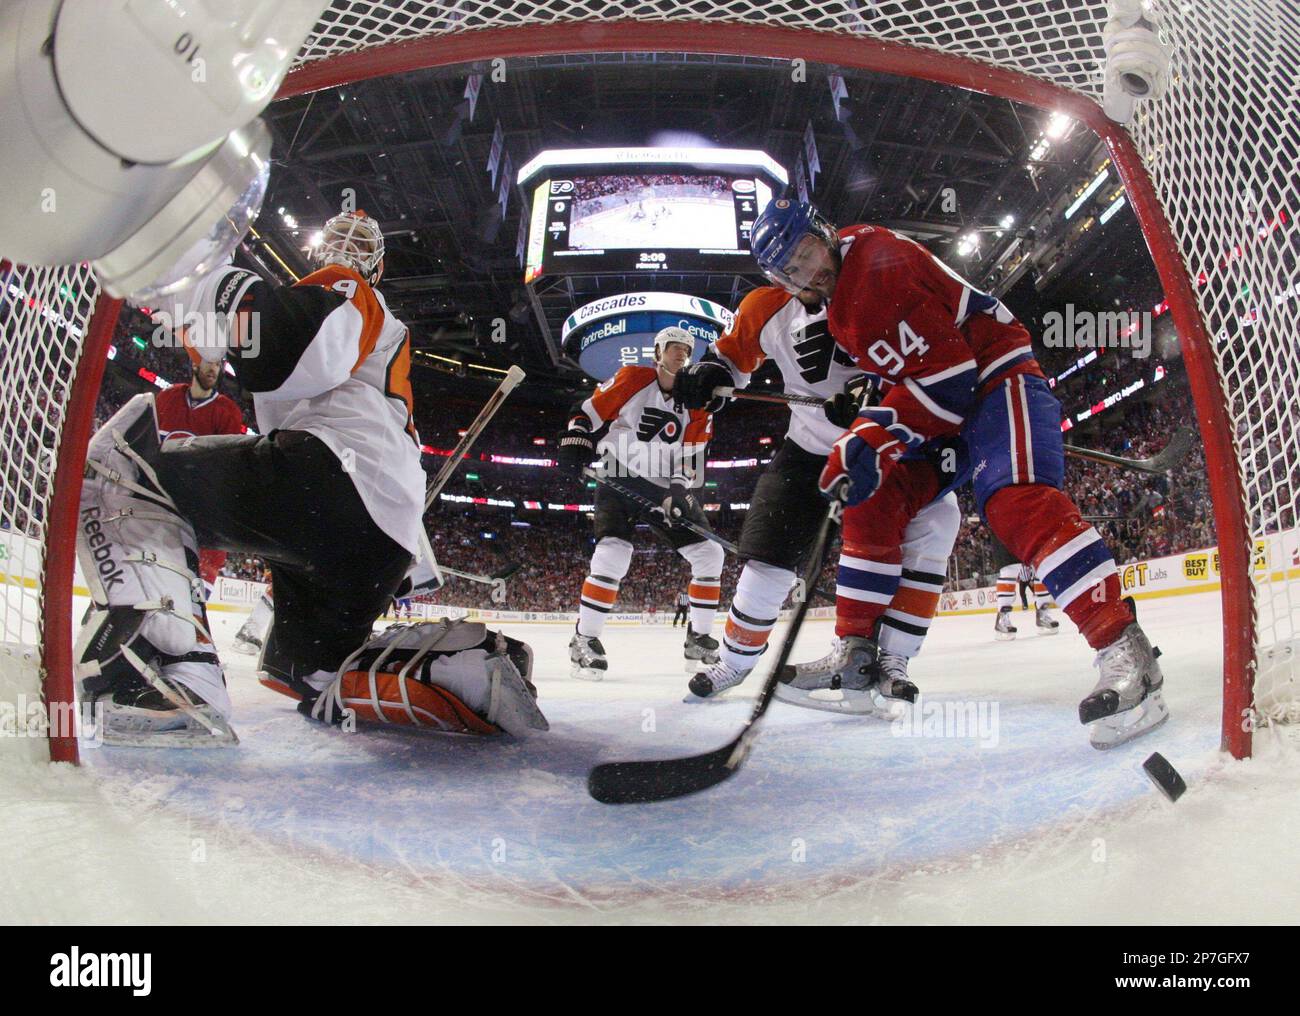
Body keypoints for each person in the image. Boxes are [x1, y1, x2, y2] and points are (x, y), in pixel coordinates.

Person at [75, 209, 544, 744]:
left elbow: (281, 347)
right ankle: (461, 670)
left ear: (376, 267)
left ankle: (168, 676)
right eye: (338, 235)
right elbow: (225, 348)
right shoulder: (360, 329)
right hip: (377, 538)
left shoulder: (347, 290)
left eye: (359, 241)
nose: (347, 246)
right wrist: (182, 304)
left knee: (117, 467)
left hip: (329, 484)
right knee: (308, 673)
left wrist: (188, 271)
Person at [744, 197, 1166, 748]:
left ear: (822, 232)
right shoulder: (853, 270)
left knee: (1016, 499)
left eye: (808, 252)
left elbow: (948, 378)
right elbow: (915, 364)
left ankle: (1126, 651)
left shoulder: (871, 276)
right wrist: (870, 402)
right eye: (795, 269)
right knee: (873, 501)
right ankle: (857, 656)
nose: (811, 270)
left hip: (994, 380)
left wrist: (870, 433)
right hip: (948, 402)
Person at [672, 285, 960, 711]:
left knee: (938, 521)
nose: (801, 274)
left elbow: (935, 362)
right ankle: (735, 660)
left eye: (808, 258)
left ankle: (892, 660)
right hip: (808, 447)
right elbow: (732, 356)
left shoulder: (879, 288)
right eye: (785, 266)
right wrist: (712, 375)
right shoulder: (766, 306)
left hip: (889, 443)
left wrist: (881, 400)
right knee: (768, 554)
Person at [557, 326, 723, 680]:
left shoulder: (698, 400)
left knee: (710, 554)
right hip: (618, 472)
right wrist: (576, 436)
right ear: (657, 353)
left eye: (686, 349)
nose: (680, 354)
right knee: (614, 551)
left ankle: (699, 638)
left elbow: (691, 458)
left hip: (662, 487)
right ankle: (584, 639)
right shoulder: (634, 377)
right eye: (673, 347)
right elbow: (586, 411)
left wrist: (678, 492)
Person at [154, 359, 246, 601]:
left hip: (199, 512)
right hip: (158, 502)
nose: (214, 369)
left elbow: (224, 472)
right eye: (209, 363)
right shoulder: (167, 398)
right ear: (195, 364)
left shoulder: (227, 412)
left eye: (218, 364)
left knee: (192, 604)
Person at [990, 529, 1059, 639]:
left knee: (1040, 564)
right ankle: (1002, 618)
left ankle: (1043, 612)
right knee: (1010, 569)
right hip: (1003, 523)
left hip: (1029, 524)